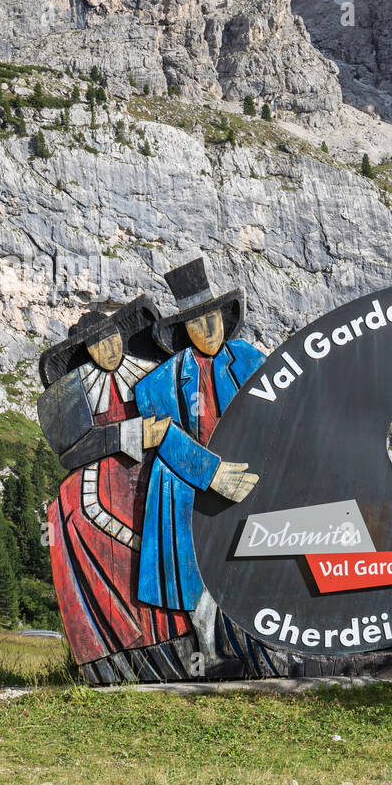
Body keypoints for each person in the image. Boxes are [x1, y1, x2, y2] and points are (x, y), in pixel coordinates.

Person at [37, 296, 187, 667]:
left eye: (112, 338)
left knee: (167, 534)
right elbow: (70, 451)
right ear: (86, 350)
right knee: (76, 514)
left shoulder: (154, 369)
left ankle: (174, 636)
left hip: (150, 474)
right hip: (98, 481)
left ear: (122, 335)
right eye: (98, 343)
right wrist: (128, 435)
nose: (108, 349)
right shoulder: (74, 389)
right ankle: (117, 641)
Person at [135, 258, 264, 654]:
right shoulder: (160, 382)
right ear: (184, 330)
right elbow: (162, 436)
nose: (209, 330)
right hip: (192, 484)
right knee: (196, 569)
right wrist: (211, 472)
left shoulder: (249, 360)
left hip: (247, 474)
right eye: (198, 323)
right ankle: (206, 646)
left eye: (214, 319)